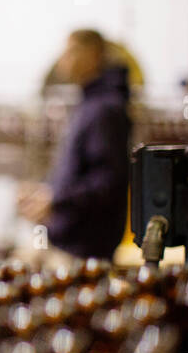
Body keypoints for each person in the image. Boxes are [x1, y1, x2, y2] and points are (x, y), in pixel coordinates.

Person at [18, 29, 132, 258]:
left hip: (84, 246)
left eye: (70, 52)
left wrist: (56, 199)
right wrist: (46, 192)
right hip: (70, 238)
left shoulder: (104, 109)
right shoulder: (89, 104)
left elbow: (107, 181)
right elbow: (81, 173)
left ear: (92, 56)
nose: (63, 60)